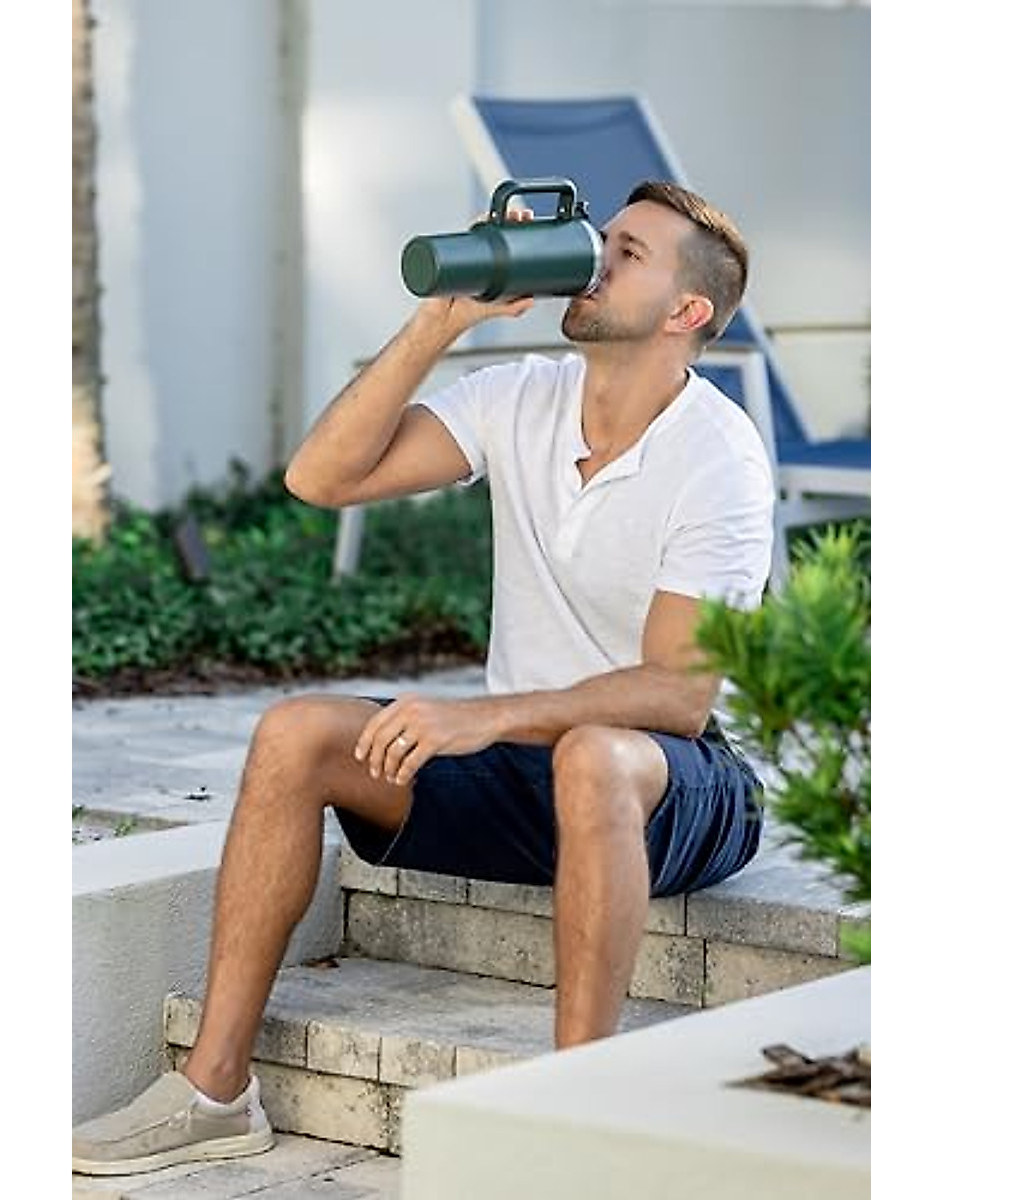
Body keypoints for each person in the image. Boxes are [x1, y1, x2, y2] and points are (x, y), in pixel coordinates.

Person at [72, 179, 775, 1176]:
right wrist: (441, 319)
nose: (593, 257)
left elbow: (679, 695)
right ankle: (214, 1094)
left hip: (681, 783)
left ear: (686, 311)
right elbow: (320, 478)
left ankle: (576, 1119)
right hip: (531, 777)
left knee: (595, 757)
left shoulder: (718, 454)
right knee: (297, 734)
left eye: (627, 254)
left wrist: (480, 717)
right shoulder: (519, 395)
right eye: (600, 238)